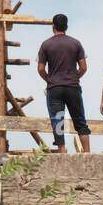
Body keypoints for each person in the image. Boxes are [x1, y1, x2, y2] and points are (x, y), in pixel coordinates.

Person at [37, 13, 91, 153]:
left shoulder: (46, 44)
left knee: (58, 120)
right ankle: (87, 152)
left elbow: (41, 69)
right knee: (79, 120)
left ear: (53, 26)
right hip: (72, 86)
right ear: (66, 26)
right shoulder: (75, 43)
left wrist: (49, 79)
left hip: (55, 88)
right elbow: (83, 67)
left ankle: (62, 151)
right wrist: (74, 76)